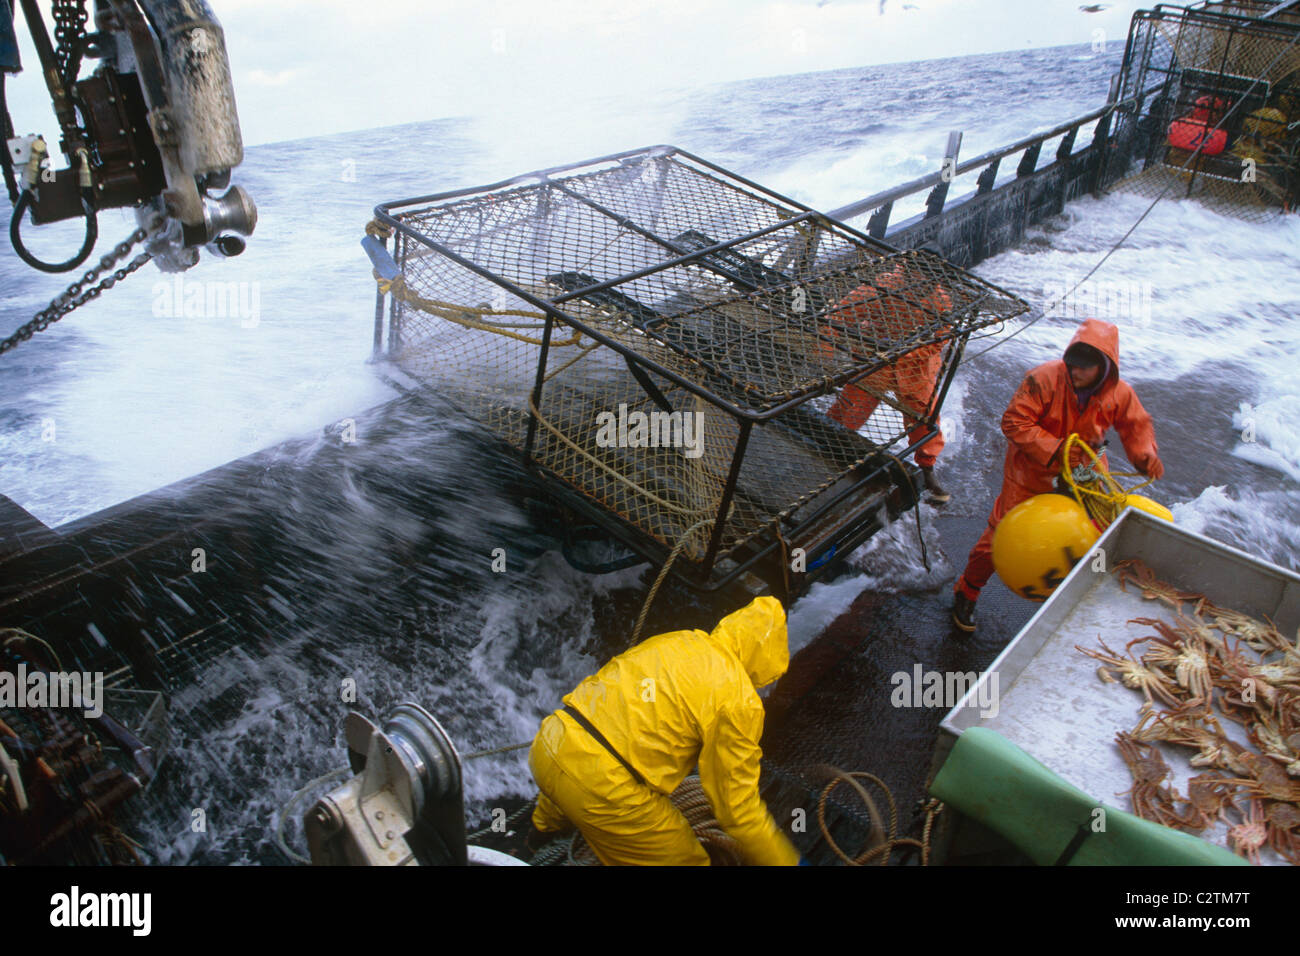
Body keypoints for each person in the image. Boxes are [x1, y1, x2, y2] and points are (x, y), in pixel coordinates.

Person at [527, 595, 800, 866]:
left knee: (577, 764)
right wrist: (787, 862)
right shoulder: (740, 701)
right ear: (767, 660)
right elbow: (736, 810)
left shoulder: (678, 640)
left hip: (550, 743)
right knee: (687, 861)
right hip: (603, 787)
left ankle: (538, 835)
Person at [951, 318, 1163, 632]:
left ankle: (1076, 597)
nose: (1075, 372)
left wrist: (1145, 455)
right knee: (1000, 536)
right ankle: (967, 590)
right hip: (1032, 473)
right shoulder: (1043, 379)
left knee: (1096, 537)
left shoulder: (1120, 393)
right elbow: (1014, 423)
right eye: (1071, 364)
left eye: (1084, 368)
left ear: (1103, 367)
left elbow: (1136, 426)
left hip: (1085, 476)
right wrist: (1057, 450)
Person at [825, 246, 953, 502]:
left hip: (916, 367)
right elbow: (840, 313)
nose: (920, 283)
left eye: (927, 280)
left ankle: (927, 470)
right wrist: (827, 351)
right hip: (876, 358)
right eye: (915, 276)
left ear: (936, 279)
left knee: (924, 417)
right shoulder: (882, 287)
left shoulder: (941, 303)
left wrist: (903, 354)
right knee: (851, 408)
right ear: (905, 271)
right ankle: (826, 449)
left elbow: (937, 341)